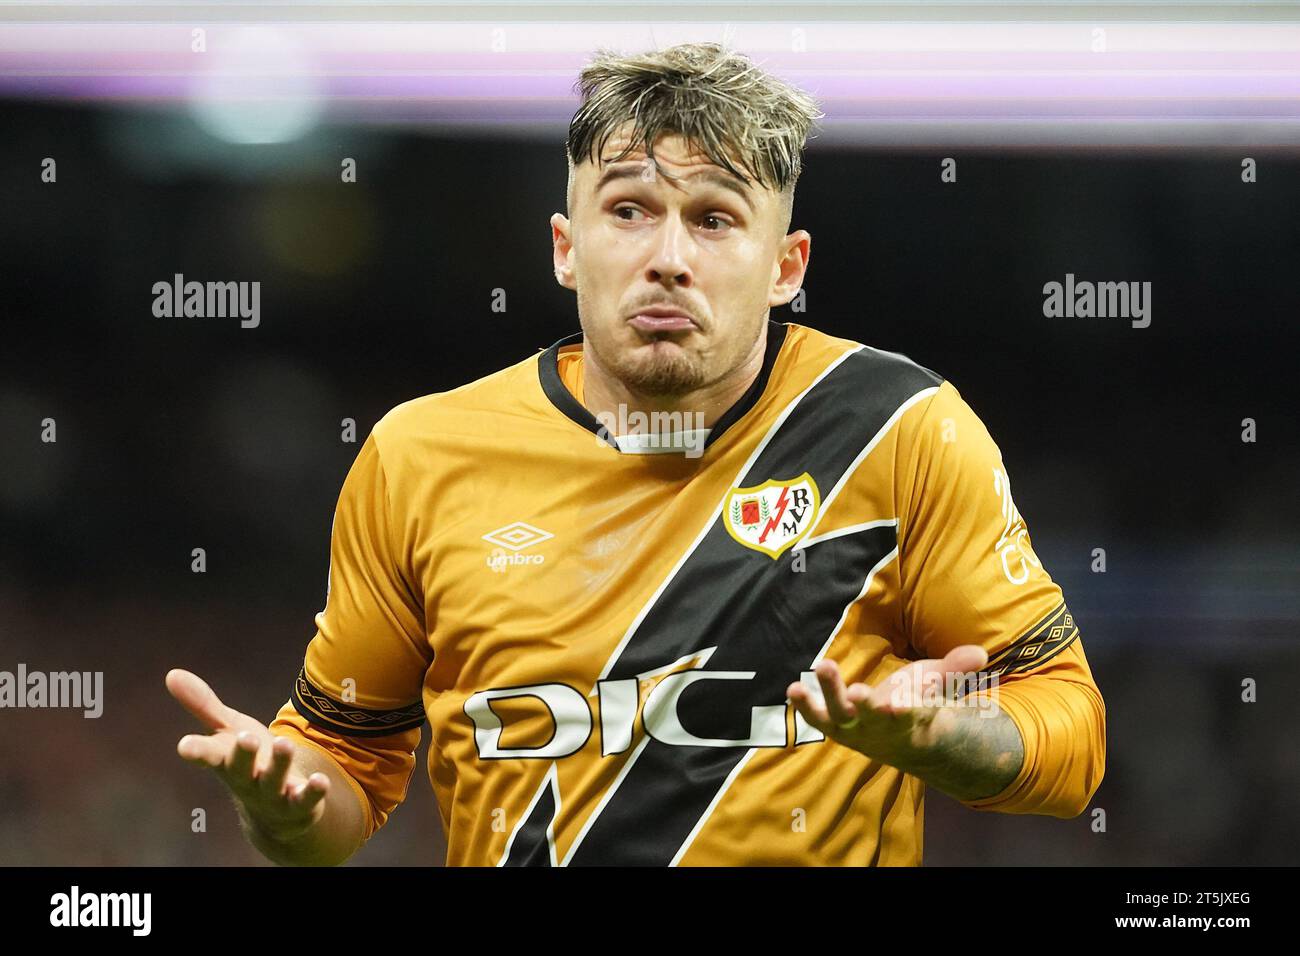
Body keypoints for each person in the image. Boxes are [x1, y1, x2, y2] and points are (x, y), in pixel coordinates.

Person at [168, 41, 1104, 866]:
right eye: (628, 210)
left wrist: (955, 741)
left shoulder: (899, 430)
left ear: (788, 267)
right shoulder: (420, 456)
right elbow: (344, 776)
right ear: (566, 250)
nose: (667, 256)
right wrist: (286, 809)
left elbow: (1073, 737)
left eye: (713, 217)